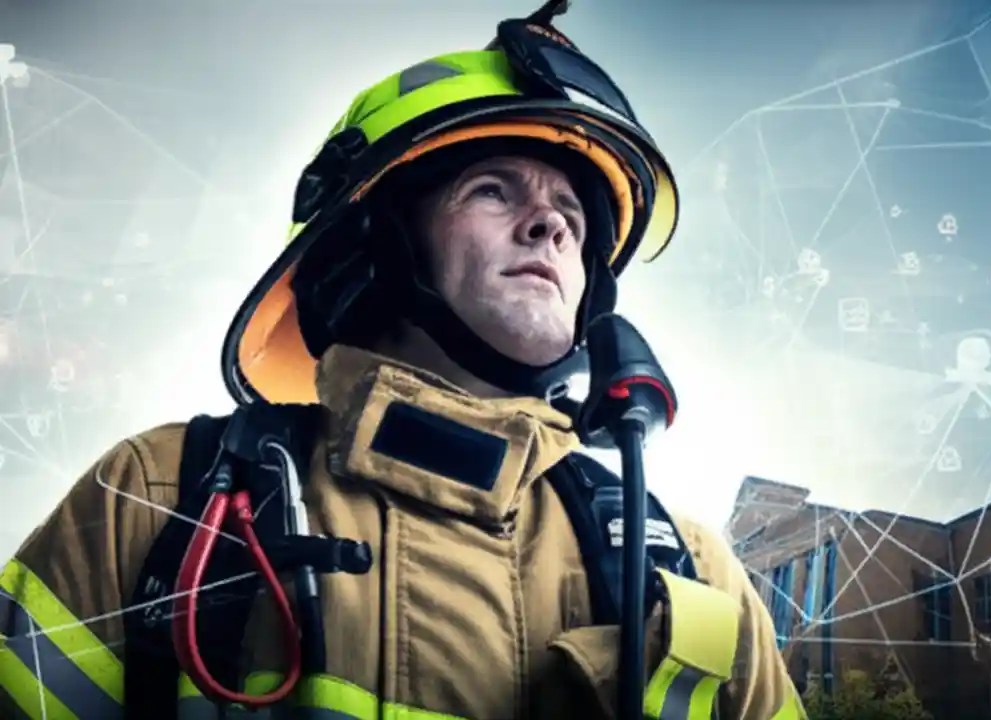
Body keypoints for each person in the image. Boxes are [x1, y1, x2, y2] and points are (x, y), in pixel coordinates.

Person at [0, 11, 805, 720]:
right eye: (493, 190)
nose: (551, 230)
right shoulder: (160, 498)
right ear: (373, 249)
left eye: (571, 218)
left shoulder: (692, 577)